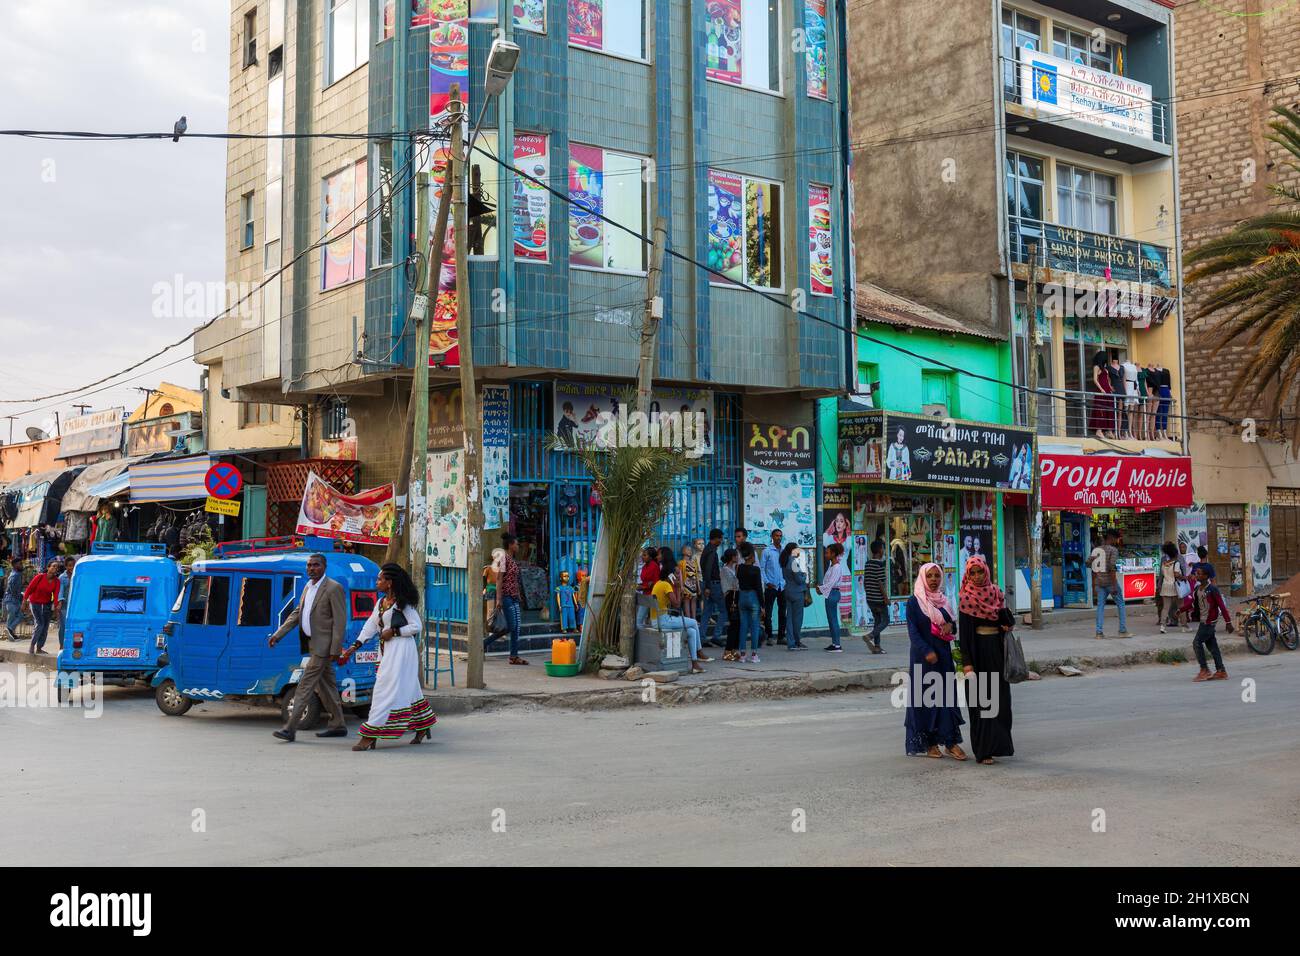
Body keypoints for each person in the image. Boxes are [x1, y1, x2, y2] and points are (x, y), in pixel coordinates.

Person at [339, 563, 436, 750]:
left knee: (383, 689)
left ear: (389, 583)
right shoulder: (381, 603)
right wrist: (354, 647)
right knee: (410, 687)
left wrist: (394, 631)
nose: (377, 582)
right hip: (387, 651)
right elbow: (370, 626)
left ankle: (370, 734)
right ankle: (423, 725)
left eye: (380, 579)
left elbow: (417, 626)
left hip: (402, 650)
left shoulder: (403, 604)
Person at [268, 553, 348, 741]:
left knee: (305, 685)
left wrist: (336, 649)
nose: (311, 568)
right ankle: (338, 724)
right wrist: (278, 635)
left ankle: (290, 728)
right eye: (309, 565)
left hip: (324, 647)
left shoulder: (333, 588)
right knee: (327, 686)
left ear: (324, 567)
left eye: (316, 565)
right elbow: (297, 614)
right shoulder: (308, 587)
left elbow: (340, 621)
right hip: (312, 645)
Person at [904, 563, 966, 759]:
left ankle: (950, 742)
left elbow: (953, 626)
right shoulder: (914, 602)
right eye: (929, 576)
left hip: (944, 656)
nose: (933, 579)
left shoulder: (944, 601)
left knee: (946, 699)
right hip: (923, 658)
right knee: (927, 700)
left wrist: (950, 626)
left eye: (936, 576)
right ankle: (930, 743)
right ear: (923, 577)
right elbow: (913, 632)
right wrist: (927, 651)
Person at [957, 556, 1013, 765]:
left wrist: (1006, 624)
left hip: (996, 653)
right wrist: (967, 664)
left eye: (980, 571)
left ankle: (998, 745)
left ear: (987, 571)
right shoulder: (966, 598)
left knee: (1000, 702)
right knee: (981, 704)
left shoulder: (996, 594)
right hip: (978, 654)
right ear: (968, 575)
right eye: (973, 573)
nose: (978, 576)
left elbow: (1006, 620)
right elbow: (965, 635)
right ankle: (983, 750)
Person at [648, 568, 707, 673]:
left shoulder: (659, 583)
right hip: (663, 621)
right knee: (693, 622)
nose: (678, 577)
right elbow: (677, 605)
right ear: (670, 576)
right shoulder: (666, 585)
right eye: (676, 575)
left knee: (692, 632)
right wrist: (679, 588)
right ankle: (699, 651)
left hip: (658, 620)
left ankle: (694, 663)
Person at [1186, 564, 1233, 682]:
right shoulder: (1198, 590)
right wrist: (1181, 610)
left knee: (1196, 643)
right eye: (1196, 573)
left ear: (1206, 576)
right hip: (1203, 621)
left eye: (1199, 573)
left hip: (1209, 622)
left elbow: (1222, 606)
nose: (1197, 575)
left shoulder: (1212, 589)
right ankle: (1221, 671)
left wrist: (1228, 622)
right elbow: (1193, 605)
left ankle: (1204, 670)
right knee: (1212, 646)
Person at [491, 533, 527, 665]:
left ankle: (514, 656)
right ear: (511, 545)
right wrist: (499, 599)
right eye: (516, 544)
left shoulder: (511, 559)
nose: (518, 546)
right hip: (506, 597)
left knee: (516, 627)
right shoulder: (504, 559)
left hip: (514, 597)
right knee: (511, 626)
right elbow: (499, 579)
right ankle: (484, 644)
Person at [1092, 529, 1128, 637]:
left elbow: (1090, 565)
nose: (1116, 541)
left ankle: (1099, 633)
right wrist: (1113, 585)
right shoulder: (1113, 550)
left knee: (1100, 607)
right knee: (1120, 604)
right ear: (1111, 538)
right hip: (1110, 582)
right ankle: (1122, 630)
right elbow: (1112, 568)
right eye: (1116, 538)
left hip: (1099, 582)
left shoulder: (1096, 550)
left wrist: (1094, 583)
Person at [23, 560, 61, 655]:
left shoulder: (57, 581)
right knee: (39, 624)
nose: (55, 568)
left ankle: (39, 648)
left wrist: (56, 608)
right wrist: (24, 601)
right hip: (35, 603)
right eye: (53, 566)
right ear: (48, 567)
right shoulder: (39, 577)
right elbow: (29, 589)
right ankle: (32, 645)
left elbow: (55, 595)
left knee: (45, 627)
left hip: (47, 605)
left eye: (56, 567)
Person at [699, 528, 727, 648]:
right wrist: (708, 587)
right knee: (724, 610)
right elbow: (708, 569)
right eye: (720, 538)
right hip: (713, 584)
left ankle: (701, 637)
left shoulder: (707, 549)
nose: (721, 541)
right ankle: (716, 636)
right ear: (715, 538)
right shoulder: (711, 551)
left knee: (707, 611)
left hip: (707, 583)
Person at [736, 543, 764, 663]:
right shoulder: (756, 570)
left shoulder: (739, 568)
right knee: (754, 627)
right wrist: (762, 605)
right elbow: (758, 588)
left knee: (743, 626)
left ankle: (742, 655)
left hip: (742, 597)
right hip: (753, 597)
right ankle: (754, 654)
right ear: (752, 556)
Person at [819, 542, 848, 652]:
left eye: (827, 553)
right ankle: (834, 643)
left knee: (833, 619)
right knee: (831, 619)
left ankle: (837, 644)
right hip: (831, 593)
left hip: (833, 593)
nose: (826, 555)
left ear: (833, 554)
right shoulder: (832, 566)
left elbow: (831, 583)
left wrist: (821, 589)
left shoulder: (836, 567)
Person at [781, 543, 808, 650]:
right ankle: (797, 641)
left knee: (789, 619)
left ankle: (790, 642)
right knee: (797, 619)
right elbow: (799, 579)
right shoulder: (793, 563)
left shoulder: (784, 561)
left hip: (788, 590)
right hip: (797, 592)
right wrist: (804, 575)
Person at [760, 529, 785, 646]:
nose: (778, 538)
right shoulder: (767, 551)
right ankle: (769, 636)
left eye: (780, 536)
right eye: (776, 535)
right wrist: (767, 582)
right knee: (768, 613)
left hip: (783, 586)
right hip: (771, 586)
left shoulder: (784, 550)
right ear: (772, 536)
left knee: (782, 612)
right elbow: (762, 568)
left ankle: (781, 636)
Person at [864, 538, 888, 653]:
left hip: (870, 598)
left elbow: (865, 581)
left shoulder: (868, 563)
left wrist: (868, 594)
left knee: (877, 621)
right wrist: (886, 598)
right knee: (885, 621)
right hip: (879, 599)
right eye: (883, 548)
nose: (884, 550)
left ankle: (877, 646)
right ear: (879, 550)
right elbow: (880, 583)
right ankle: (871, 636)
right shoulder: (880, 565)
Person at [1156, 542, 1184, 633]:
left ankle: (1162, 626)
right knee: (1181, 606)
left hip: (1165, 586)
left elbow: (1161, 575)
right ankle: (1185, 626)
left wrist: (1159, 585)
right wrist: (1183, 577)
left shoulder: (1164, 563)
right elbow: (1177, 574)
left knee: (1165, 607)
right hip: (1175, 586)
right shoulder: (1176, 563)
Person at [720, 547, 742, 661]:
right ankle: (728, 650)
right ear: (732, 557)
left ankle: (734, 648)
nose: (737, 558)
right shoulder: (725, 570)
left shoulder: (734, 568)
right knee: (733, 623)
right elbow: (733, 584)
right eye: (736, 556)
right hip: (730, 597)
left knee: (738, 624)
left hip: (737, 596)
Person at [636, 546, 661, 628]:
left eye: (645, 555)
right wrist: (641, 586)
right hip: (645, 595)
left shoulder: (654, 566)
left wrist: (644, 587)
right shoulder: (644, 567)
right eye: (642, 555)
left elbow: (656, 583)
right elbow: (645, 581)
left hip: (653, 595)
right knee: (639, 620)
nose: (642, 557)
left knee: (654, 622)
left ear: (650, 557)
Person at [56, 555, 76, 647]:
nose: (71, 567)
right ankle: (62, 645)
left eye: (73, 565)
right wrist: (59, 603)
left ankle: (71, 644)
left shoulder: (78, 575)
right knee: (63, 626)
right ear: (66, 566)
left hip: (75, 605)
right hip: (64, 605)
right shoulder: (62, 577)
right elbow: (60, 590)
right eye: (69, 565)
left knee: (74, 625)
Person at [3, 557, 24, 642]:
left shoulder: (16, 574)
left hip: (13, 599)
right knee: (16, 616)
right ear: (15, 565)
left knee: (15, 616)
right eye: (20, 564)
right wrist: (19, 596)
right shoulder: (15, 575)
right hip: (12, 599)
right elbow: (12, 588)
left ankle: (10, 632)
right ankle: (10, 630)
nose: (22, 565)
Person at [679, 543, 700, 621]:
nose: (690, 551)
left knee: (694, 601)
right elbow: (680, 575)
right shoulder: (681, 563)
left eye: (690, 550)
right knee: (686, 602)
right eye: (688, 550)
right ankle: (688, 619)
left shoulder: (694, 562)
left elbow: (696, 575)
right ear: (683, 551)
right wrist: (681, 586)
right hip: (686, 585)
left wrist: (699, 587)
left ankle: (694, 618)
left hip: (693, 585)